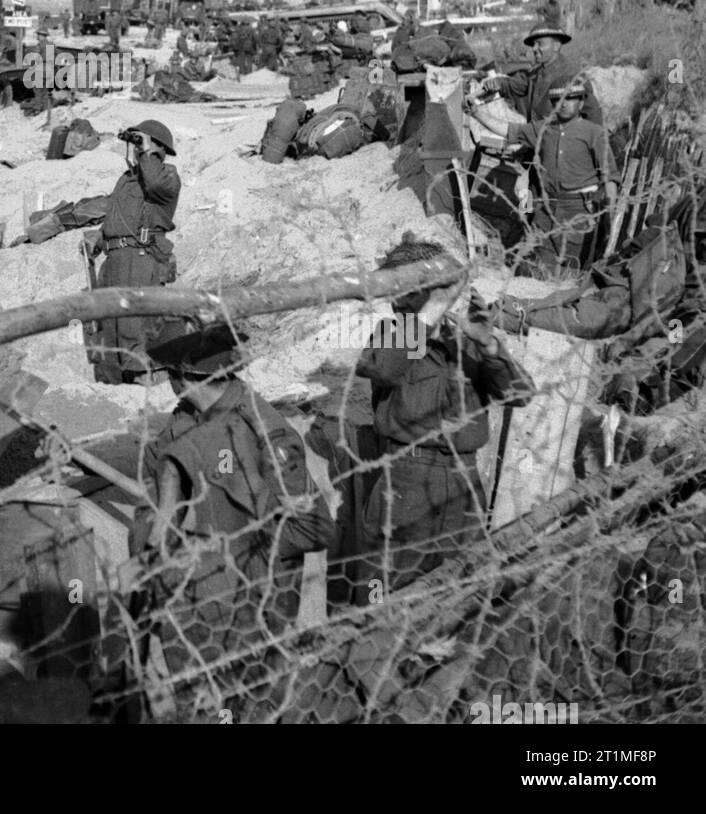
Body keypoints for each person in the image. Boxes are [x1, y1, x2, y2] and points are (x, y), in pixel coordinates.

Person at [127, 319, 333, 719]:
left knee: (254, 706)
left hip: (254, 606)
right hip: (193, 600)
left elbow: (313, 528)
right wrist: (154, 549)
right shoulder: (186, 417)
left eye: (168, 374)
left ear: (184, 375)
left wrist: (235, 553)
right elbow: (154, 495)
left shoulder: (265, 432)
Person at [356, 236, 534, 592]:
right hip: (407, 481)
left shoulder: (466, 343)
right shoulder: (392, 336)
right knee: (389, 589)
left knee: (462, 588)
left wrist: (488, 345)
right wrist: (431, 310)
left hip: (464, 483)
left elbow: (520, 394)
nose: (394, 300)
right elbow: (385, 369)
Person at [84, 119, 181, 385]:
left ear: (158, 148)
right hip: (115, 261)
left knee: (135, 327)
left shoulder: (166, 176)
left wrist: (149, 150)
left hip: (140, 260)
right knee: (111, 326)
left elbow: (156, 185)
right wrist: (100, 237)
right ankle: (120, 383)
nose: (136, 149)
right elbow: (118, 217)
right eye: (136, 143)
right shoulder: (127, 179)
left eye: (142, 142)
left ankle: (148, 383)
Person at [509, 79, 618, 273]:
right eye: (558, 100)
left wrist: (608, 216)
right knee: (537, 269)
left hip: (578, 209)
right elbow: (509, 131)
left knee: (573, 270)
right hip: (545, 204)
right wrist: (475, 110)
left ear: (581, 103)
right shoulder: (543, 128)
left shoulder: (593, 133)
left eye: (570, 99)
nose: (564, 103)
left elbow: (609, 177)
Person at [482, 24, 602, 125]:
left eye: (539, 43)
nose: (534, 48)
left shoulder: (573, 75)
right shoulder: (534, 73)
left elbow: (593, 114)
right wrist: (498, 82)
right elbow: (515, 85)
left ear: (556, 46)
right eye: (533, 44)